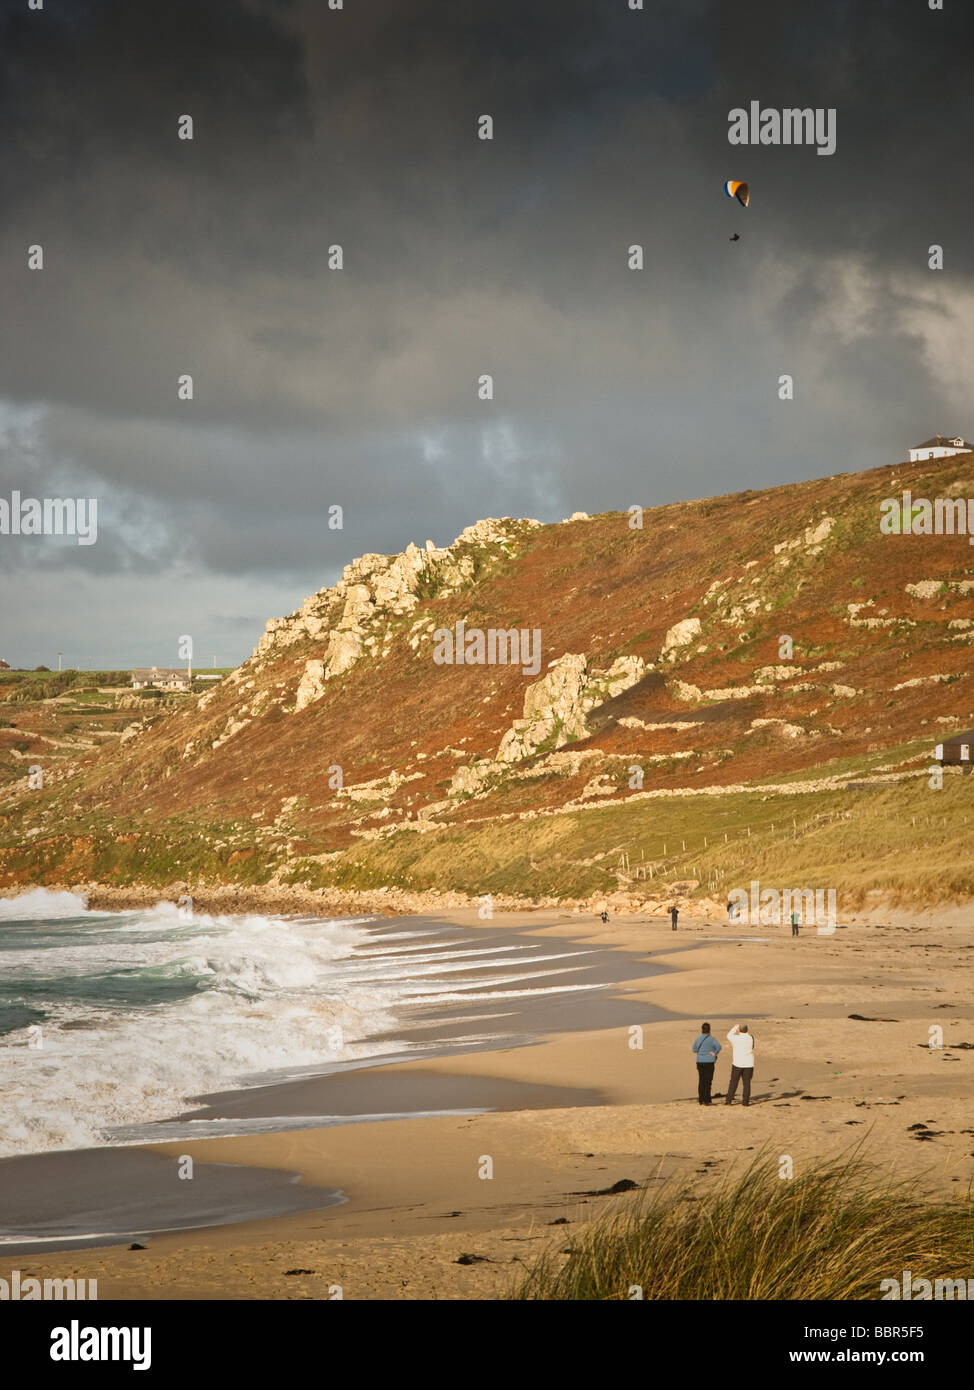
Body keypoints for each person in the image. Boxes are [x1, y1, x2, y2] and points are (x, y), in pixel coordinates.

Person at [724, 1023, 754, 1106]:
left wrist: (735, 1027)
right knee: (746, 1083)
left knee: (733, 1082)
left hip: (738, 1063)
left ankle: (729, 1100)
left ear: (740, 1030)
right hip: (748, 1064)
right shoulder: (750, 1038)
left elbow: (729, 1035)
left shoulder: (736, 1038)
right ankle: (745, 1102)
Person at [691, 1022, 721, 1105]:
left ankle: (701, 1099)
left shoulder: (698, 1038)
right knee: (708, 1081)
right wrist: (714, 1053)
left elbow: (694, 1049)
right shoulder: (712, 1039)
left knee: (701, 1080)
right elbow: (719, 1047)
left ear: (702, 1029)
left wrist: (702, 1052)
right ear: (709, 1030)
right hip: (709, 1062)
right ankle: (707, 1100)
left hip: (700, 1061)